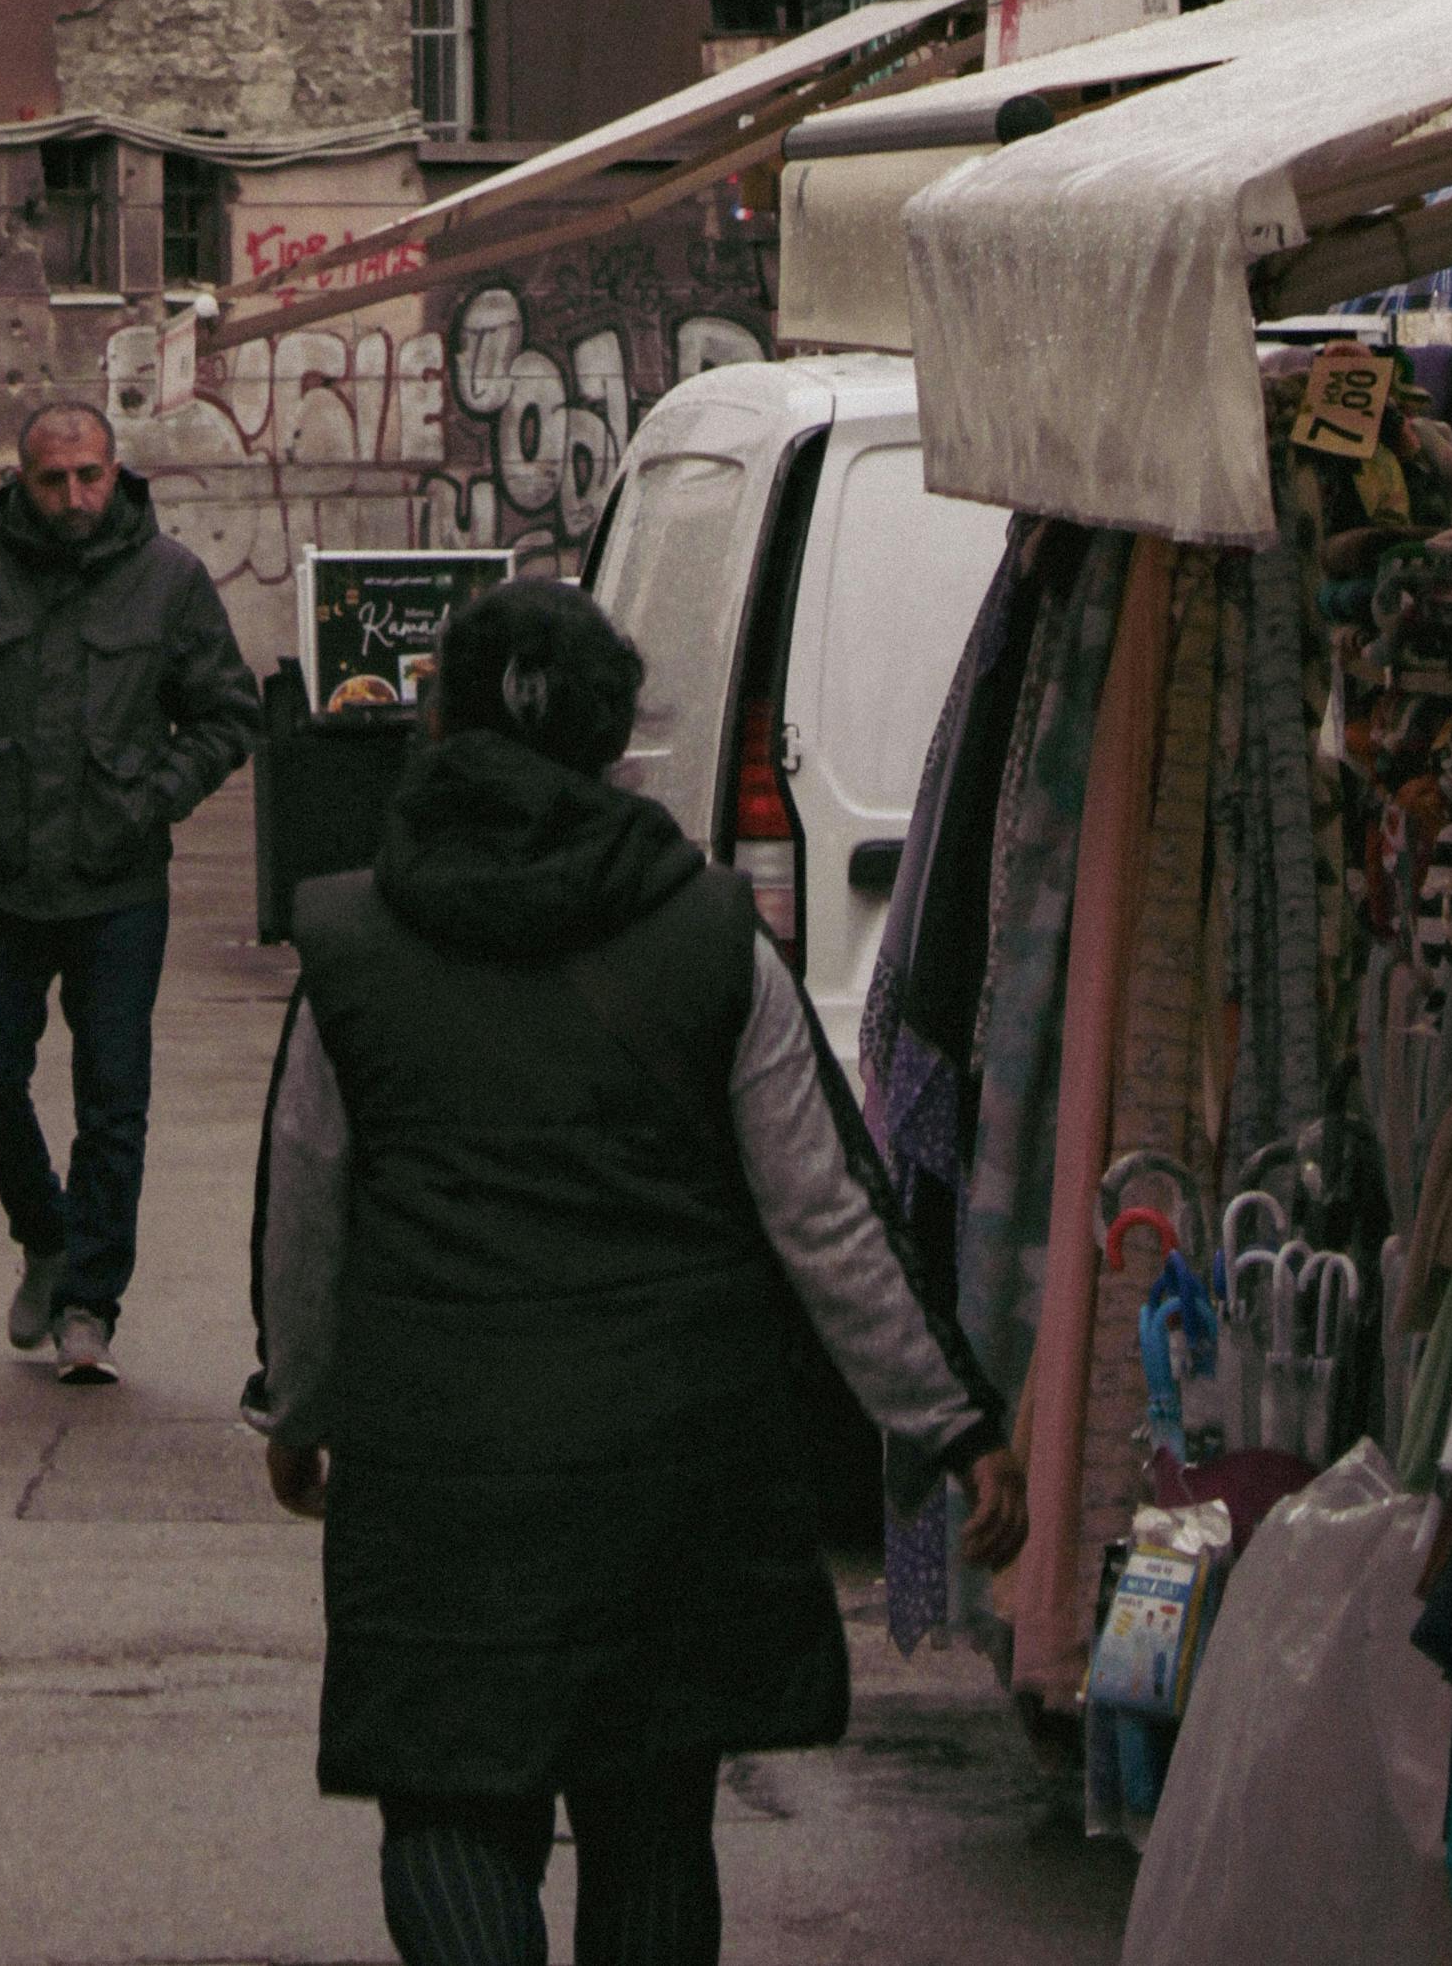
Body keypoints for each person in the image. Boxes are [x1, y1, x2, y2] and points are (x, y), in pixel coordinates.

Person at [257, 573, 1029, 1966]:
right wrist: (949, 1420)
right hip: (670, 1459)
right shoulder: (711, 935)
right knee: (651, 1817)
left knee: (448, 1800)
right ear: (614, 745)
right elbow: (825, 1211)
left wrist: (302, 1406)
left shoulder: (353, 942)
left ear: (435, 727)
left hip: (443, 1462)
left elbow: (305, 1204)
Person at [0, 397, 257, 1384]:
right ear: (23, 480)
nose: (75, 496)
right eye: (53, 480)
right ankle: (45, 1234)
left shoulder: (169, 579)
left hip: (117, 883)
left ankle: (90, 1303)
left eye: (90, 474)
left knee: (114, 1102)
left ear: (115, 469)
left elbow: (227, 713)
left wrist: (156, 799)